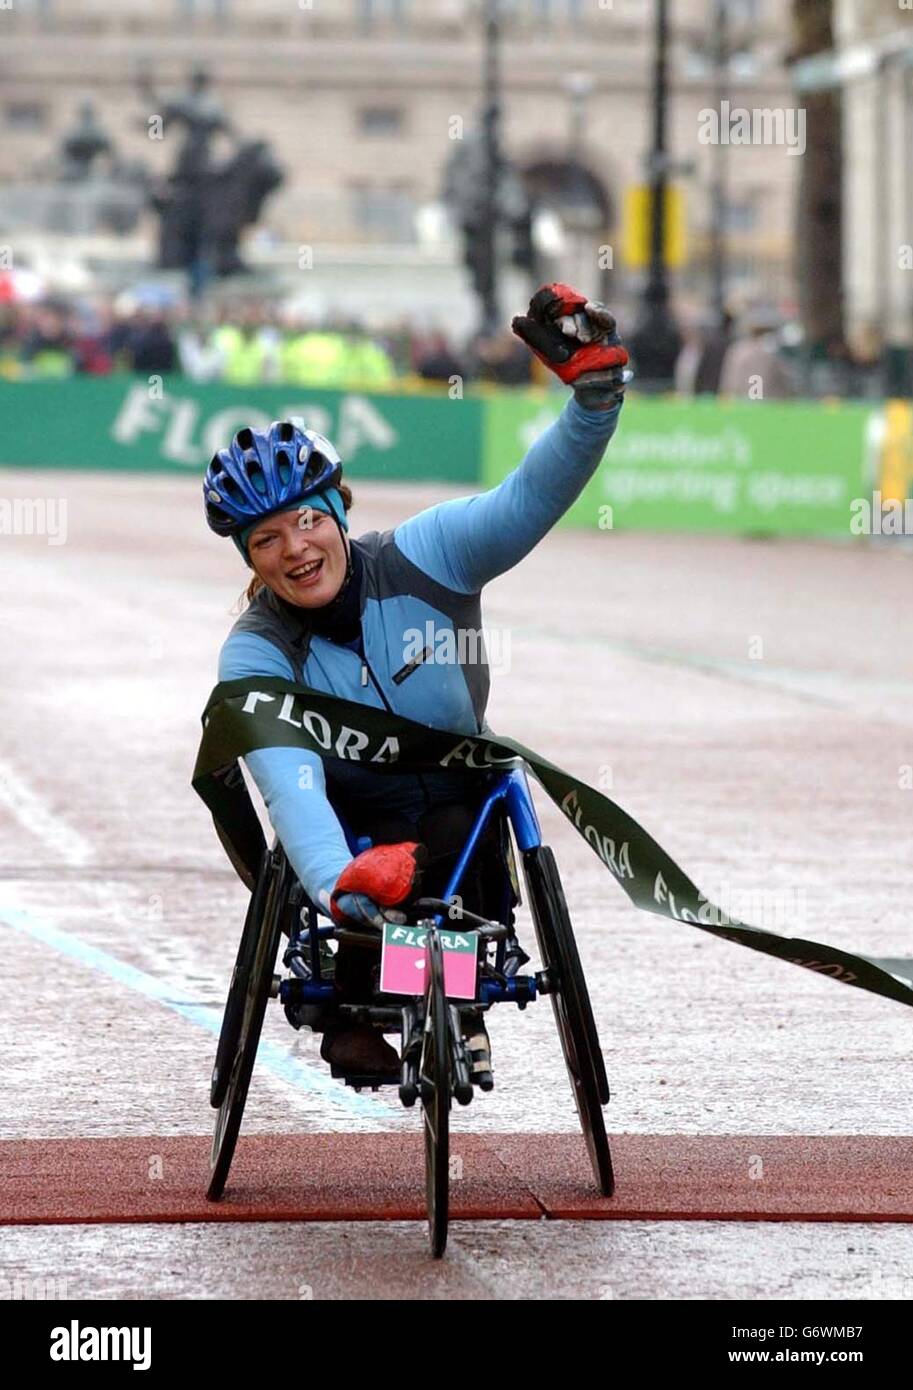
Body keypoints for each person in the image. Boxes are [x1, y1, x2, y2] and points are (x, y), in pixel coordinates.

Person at [202, 283, 630, 1077]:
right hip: (349, 823)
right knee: (391, 847)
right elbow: (291, 790)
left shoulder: (427, 555)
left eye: (307, 520)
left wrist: (594, 399)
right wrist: (341, 885)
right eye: (266, 539)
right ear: (249, 559)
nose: (294, 549)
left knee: (451, 828)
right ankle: (374, 995)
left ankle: (445, 994)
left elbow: (528, 499)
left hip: (460, 805)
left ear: (337, 510)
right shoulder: (254, 656)